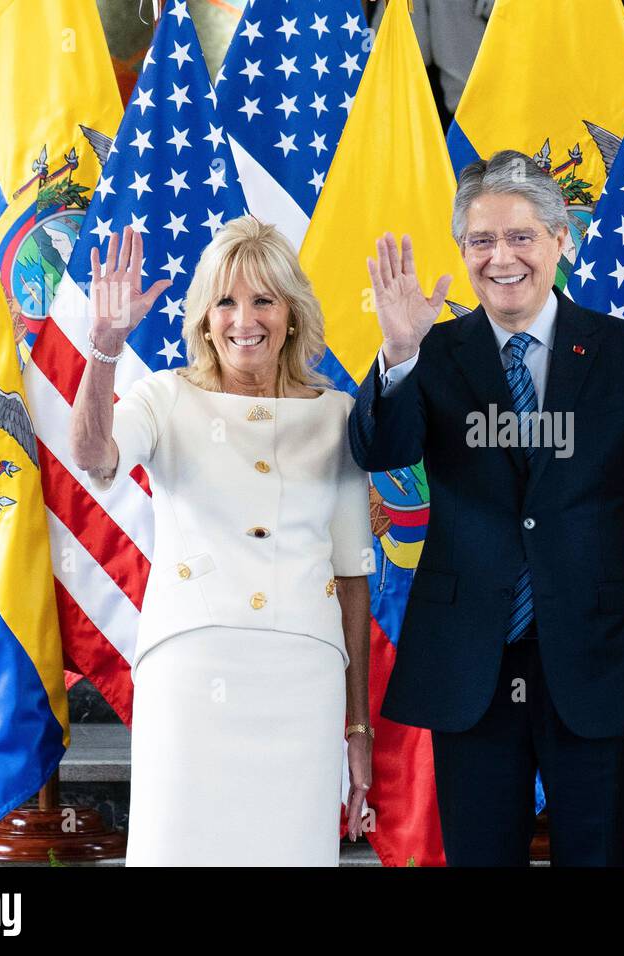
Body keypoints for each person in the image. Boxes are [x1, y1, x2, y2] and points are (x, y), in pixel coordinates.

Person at [348, 149, 624, 866]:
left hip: (601, 666)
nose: (500, 257)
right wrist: (398, 349)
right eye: (481, 240)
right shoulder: (431, 352)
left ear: (560, 239)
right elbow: (380, 451)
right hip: (471, 663)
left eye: (520, 237)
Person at [69, 218, 374, 866]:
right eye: (226, 301)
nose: (245, 319)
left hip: (304, 681)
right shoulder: (165, 397)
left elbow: (351, 578)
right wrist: (102, 352)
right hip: (191, 672)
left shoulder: (338, 414)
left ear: (291, 315)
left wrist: (358, 727)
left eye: (263, 299)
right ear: (205, 318)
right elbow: (95, 456)